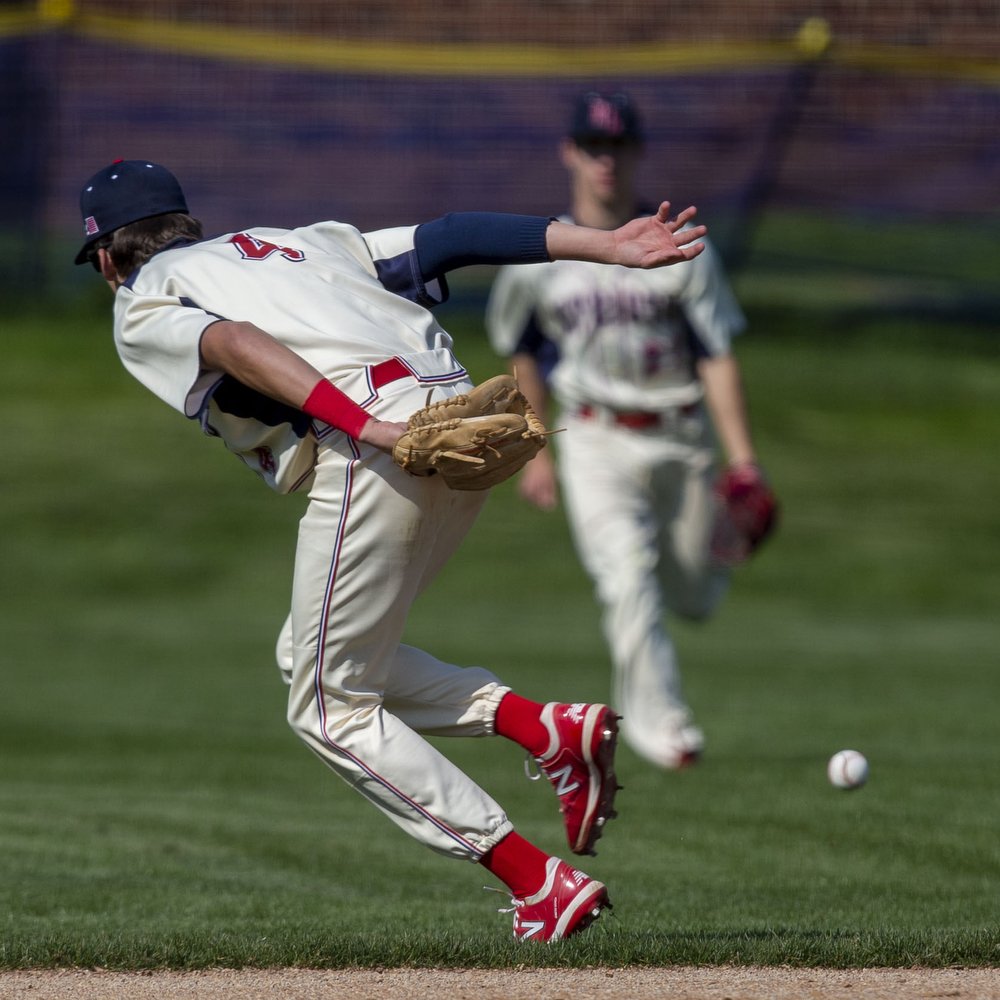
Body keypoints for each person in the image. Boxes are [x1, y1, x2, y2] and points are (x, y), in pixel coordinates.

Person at [75, 158, 707, 940]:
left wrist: (365, 426)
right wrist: (605, 245)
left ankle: (537, 881)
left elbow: (233, 341)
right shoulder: (301, 243)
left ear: (107, 258)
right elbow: (451, 237)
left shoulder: (143, 301)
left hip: (379, 442)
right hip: (461, 421)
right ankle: (543, 728)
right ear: (185, 222)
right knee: (307, 655)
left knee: (327, 709)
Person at [486, 92, 773, 771]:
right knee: (626, 577)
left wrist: (744, 463)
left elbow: (717, 355)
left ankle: (709, 568)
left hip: (680, 436)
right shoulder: (542, 250)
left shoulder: (679, 244)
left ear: (636, 153)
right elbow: (521, 349)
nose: (604, 159)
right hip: (592, 435)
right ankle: (661, 727)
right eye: (592, 145)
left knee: (694, 596)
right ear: (570, 152)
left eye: (616, 146)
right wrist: (535, 449)